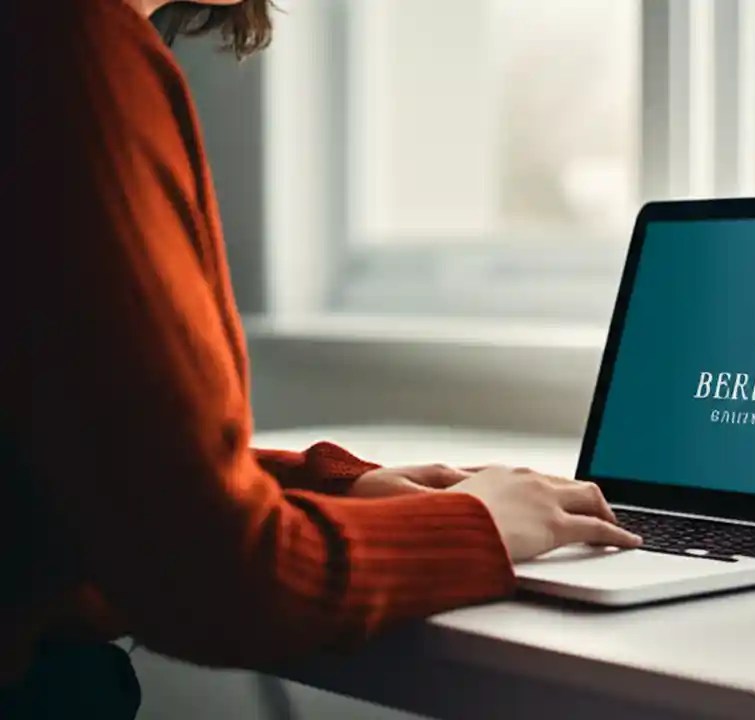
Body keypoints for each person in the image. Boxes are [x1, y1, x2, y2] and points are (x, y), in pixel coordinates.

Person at [5, 0, 642, 715]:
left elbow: (73, 468)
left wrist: (329, 489)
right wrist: (475, 528)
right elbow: (216, 580)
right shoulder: (68, 47)